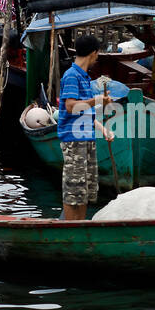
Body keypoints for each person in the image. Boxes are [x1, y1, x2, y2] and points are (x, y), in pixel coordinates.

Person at [58, 34, 114, 220]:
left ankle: (80, 225)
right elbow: (71, 106)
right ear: (93, 53)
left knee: (84, 190)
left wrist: (103, 129)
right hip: (74, 141)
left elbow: (85, 113)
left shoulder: (84, 77)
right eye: (97, 54)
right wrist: (97, 100)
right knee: (73, 190)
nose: (97, 58)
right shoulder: (72, 76)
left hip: (86, 138)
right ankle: (70, 230)